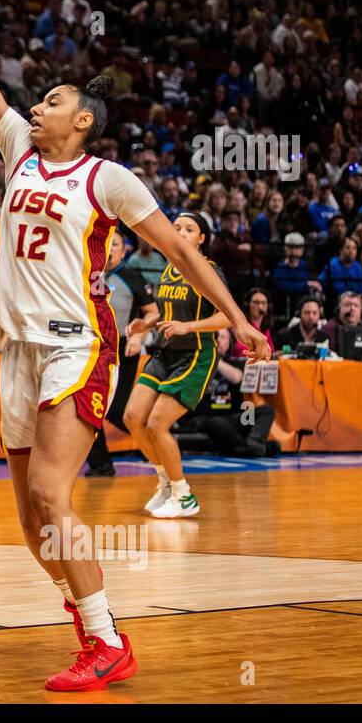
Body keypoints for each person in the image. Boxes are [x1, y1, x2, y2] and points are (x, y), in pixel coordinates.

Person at [0, 0, 267, 693]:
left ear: (83, 122)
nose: (36, 107)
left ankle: (108, 641)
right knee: (31, 527)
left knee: (50, 491)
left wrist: (237, 318)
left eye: (53, 101)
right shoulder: (15, 150)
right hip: (17, 350)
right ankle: (90, 623)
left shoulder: (109, 179)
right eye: (37, 100)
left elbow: (180, 251)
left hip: (79, 344)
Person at [122, 212, 232, 520]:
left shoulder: (209, 270)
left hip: (196, 354)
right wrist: (147, 324)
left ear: (201, 239)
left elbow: (227, 317)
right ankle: (166, 483)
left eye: (189, 229)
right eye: (176, 228)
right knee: (132, 417)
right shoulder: (169, 269)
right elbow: (167, 310)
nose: (180, 232)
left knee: (157, 424)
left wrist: (189, 327)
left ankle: (184, 495)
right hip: (165, 352)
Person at [85, 232, 158, 477]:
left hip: (123, 349)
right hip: (92, 348)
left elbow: (153, 313)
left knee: (117, 412)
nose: (109, 248)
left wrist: (139, 336)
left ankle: (158, 442)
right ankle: (101, 464)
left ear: (123, 251)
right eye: (105, 243)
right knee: (86, 407)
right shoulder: (87, 274)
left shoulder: (131, 277)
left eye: (114, 244)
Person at [182, 328, 279, 457]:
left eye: (222, 337)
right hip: (202, 418)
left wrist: (215, 359)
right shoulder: (197, 364)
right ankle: (247, 448)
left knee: (266, 411)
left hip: (232, 418)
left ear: (230, 344)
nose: (218, 341)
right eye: (215, 337)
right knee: (218, 422)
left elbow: (236, 377)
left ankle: (254, 442)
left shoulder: (234, 364)